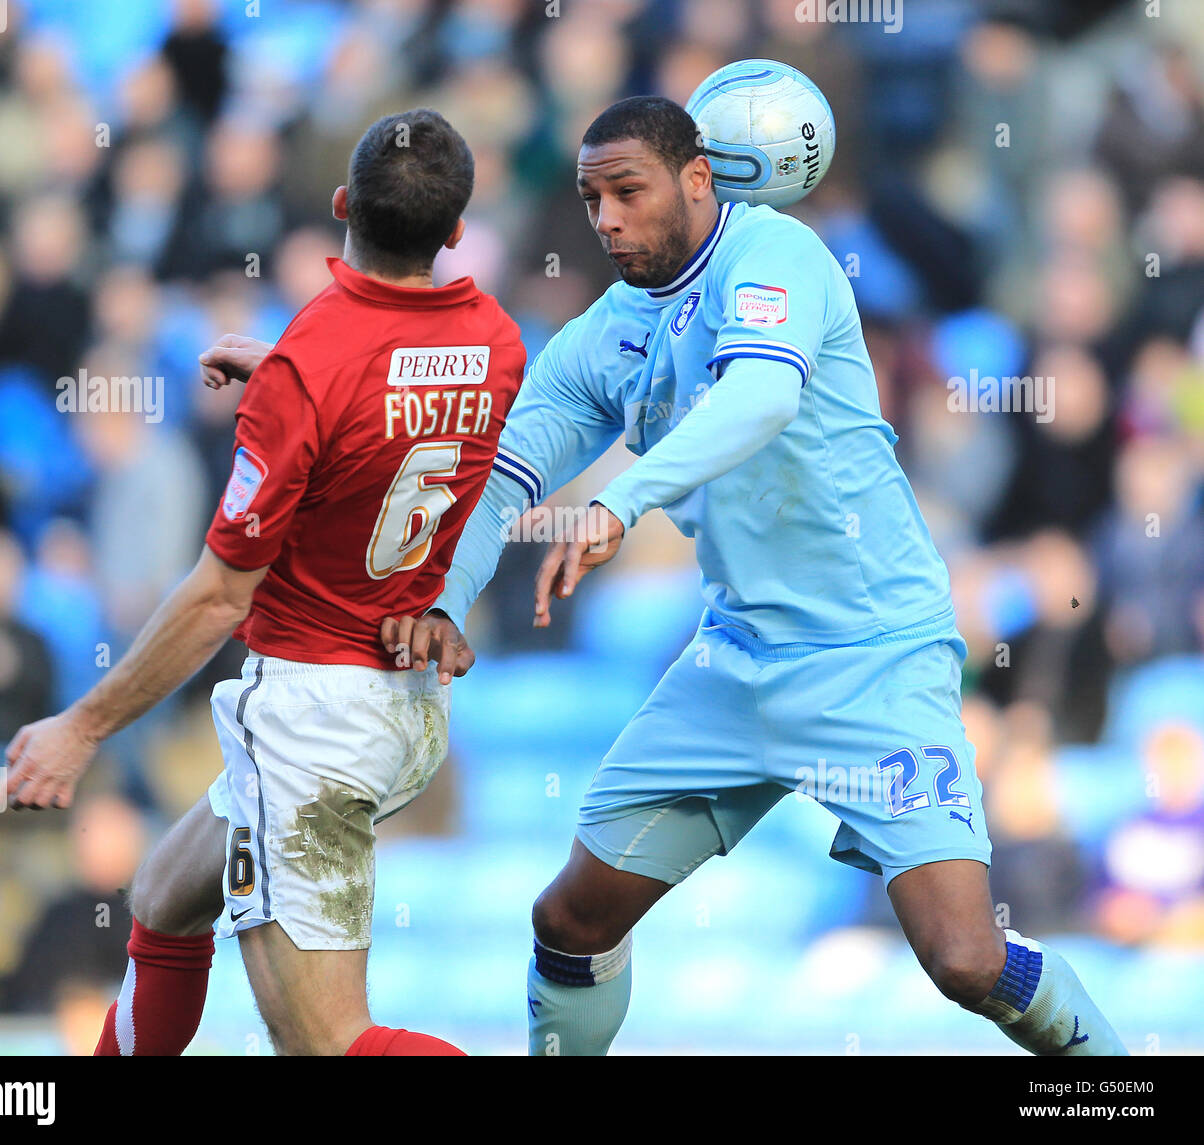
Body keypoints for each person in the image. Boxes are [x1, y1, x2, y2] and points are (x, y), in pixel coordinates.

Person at [392, 95, 1126, 1056]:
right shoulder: (604, 336)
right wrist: (447, 599)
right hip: (733, 665)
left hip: (874, 654)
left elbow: (763, 393)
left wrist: (621, 499)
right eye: (590, 197)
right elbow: (504, 480)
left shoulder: (777, 254)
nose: (606, 217)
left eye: (628, 190)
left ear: (699, 178)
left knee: (964, 959)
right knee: (571, 920)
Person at [0, 108, 526, 1057]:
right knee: (162, 899)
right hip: (402, 699)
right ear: (453, 232)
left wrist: (82, 726)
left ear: (338, 207)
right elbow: (394, 398)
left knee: (324, 1041)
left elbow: (216, 596)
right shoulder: (497, 340)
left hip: (314, 718)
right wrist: (289, 378)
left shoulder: (314, 362)